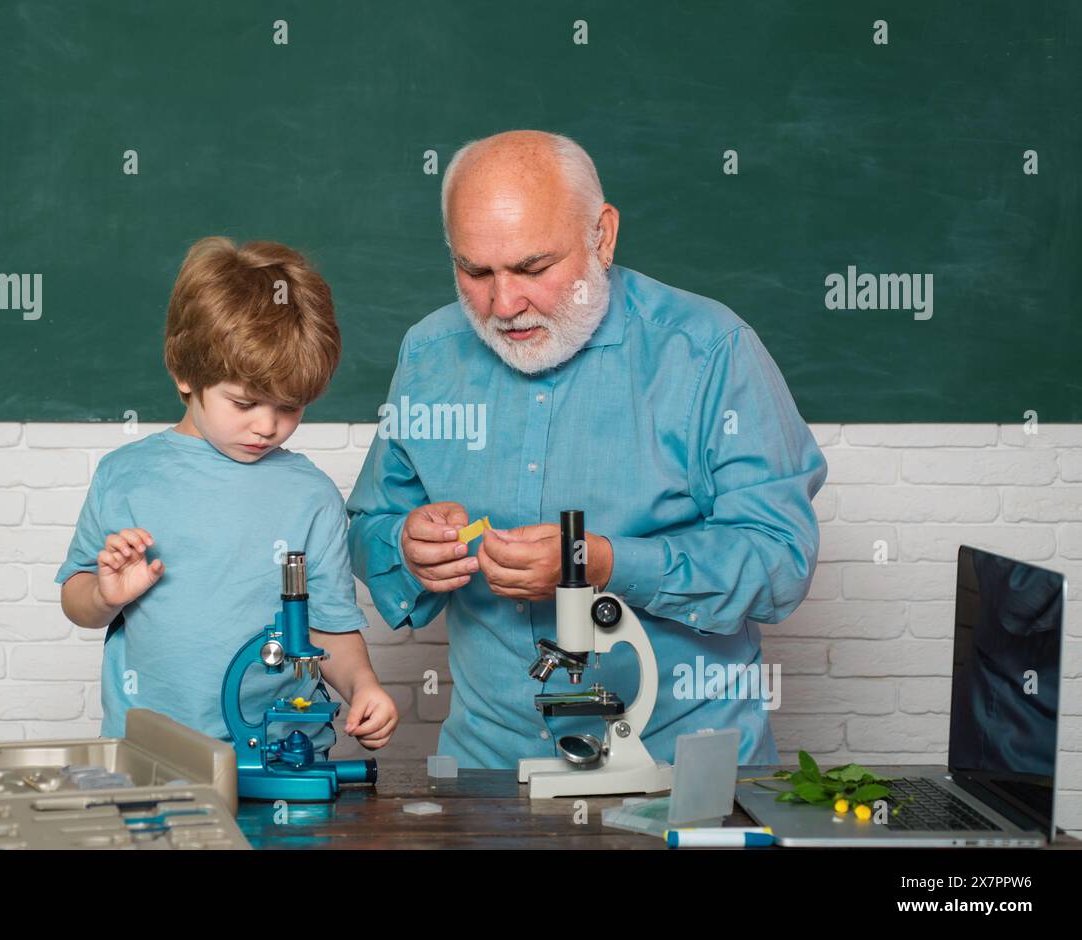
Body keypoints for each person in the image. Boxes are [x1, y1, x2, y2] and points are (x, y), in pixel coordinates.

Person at [347, 130, 825, 768]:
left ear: (602, 235)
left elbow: (779, 560)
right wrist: (406, 548)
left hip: (686, 770)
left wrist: (603, 563)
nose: (503, 304)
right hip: (489, 774)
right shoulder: (429, 356)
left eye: (534, 268)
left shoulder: (711, 353)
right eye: (474, 271)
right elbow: (367, 527)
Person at [57, 237, 399, 753]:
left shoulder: (312, 495)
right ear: (185, 373)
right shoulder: (124, 475)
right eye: (245, 402)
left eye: (290, 408)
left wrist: (362, 686)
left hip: (283, 754)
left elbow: (328, 628)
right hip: (149, 754)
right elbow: (76, 599)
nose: (267, 426)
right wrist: (104, 595)